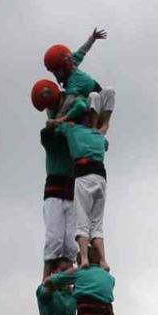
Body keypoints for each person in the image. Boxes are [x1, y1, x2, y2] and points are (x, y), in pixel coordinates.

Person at [31, 80, 78, 286]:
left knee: (70, 245)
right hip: (54, 191)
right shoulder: (49, 135)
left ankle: (66, 284)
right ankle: (45, 279)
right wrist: (61, 117)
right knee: (54, 240)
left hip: (72, 191)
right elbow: (48, 130)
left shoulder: (74, 135)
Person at [49, 114, 109, 270]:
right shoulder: (98, 135)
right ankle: (103, 260)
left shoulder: (73, 129)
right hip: (101, 178)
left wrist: (60, 120)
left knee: (82, 222)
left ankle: (84, 259)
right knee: (97, 225)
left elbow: (51, 125)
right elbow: (106, 143)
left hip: (84, 176)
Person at [42, 29, 113, 132]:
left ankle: (105, 126)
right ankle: (93, 128)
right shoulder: (71, 76)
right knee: (93, 97)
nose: (56, 74)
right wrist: (58, 120)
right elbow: (69, 101)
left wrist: (92, 39)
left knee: (109, 91)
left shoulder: (72, 70)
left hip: (98, 98)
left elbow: (82, 51)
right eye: (54, 71)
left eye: (57, 70)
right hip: (90, 103)